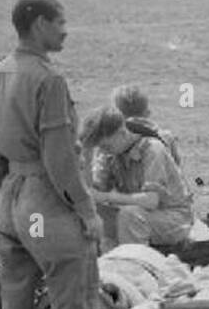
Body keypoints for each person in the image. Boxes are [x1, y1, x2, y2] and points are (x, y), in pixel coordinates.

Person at [0, 0, 104, 309]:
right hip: (45, 199)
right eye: (60, 21)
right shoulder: (48, 80)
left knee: (16, 285)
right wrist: (86, 210)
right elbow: (59, 158)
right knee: (73, 280)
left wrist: (7, 187)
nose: (66, 29)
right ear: (38, 25)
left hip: (12, 197)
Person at [79, 106, 193, 248]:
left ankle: (132, 266)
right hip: (141, 215)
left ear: (121, 133)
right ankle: (109, 262)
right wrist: (87, 157)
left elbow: (152, 201)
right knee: (92, 212)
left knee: (130, 215)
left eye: (106, 146)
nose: (103, 151)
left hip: (173, 218)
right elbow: (94, 191)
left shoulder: (152, 150)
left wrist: (108, 197)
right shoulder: (110, 153)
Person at [110, 84, 182, 166]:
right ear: (147, 113)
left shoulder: (114, 140)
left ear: (116, 115)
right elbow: (176, 165)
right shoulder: (166, 137)